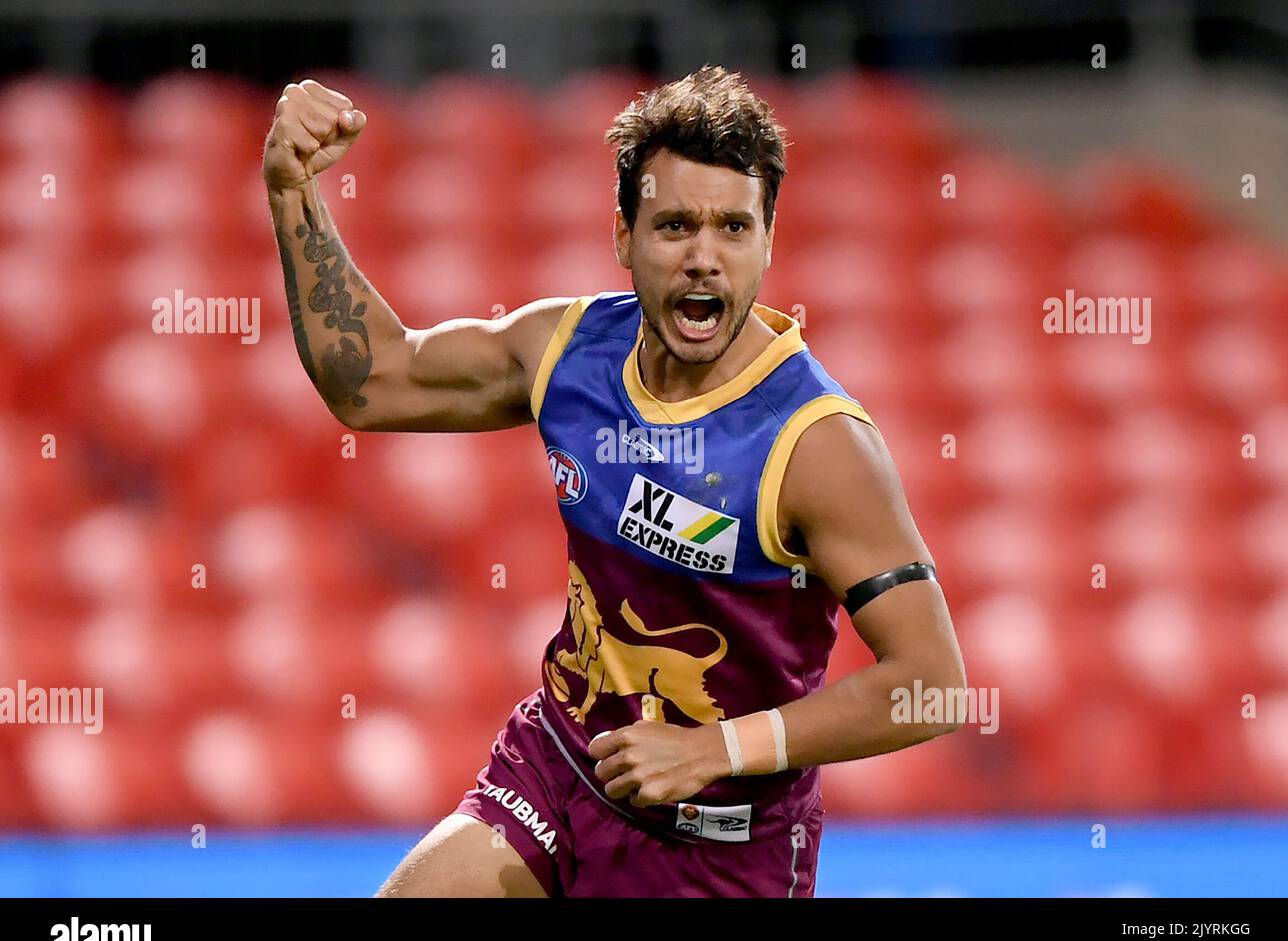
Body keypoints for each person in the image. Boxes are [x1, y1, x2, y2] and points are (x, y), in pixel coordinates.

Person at [264, 66, 967, 898]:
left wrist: (716, 748)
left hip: (716, 844)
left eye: (733, 228)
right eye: (674, 225)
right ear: (623, 236)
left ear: (768, 242)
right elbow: (371, 381)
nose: (705, 259)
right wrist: (293, 190)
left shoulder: (817, 444)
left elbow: (932, 686)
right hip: (555, 769)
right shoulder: (567, 352)